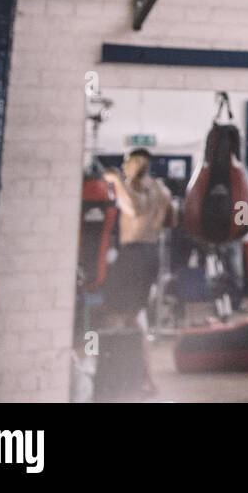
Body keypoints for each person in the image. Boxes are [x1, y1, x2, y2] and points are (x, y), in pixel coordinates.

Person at [99, 148, 176, 396]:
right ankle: (144, 379)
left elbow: (134, 209)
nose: (124, 168)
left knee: (114, 316)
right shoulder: (161, 189)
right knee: (135, 317)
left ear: (136, 163)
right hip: (152, 253)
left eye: (127, 164)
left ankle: (113, 378)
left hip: (134, 254)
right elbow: (171, 220)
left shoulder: (135, 186)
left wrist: (115, 181)